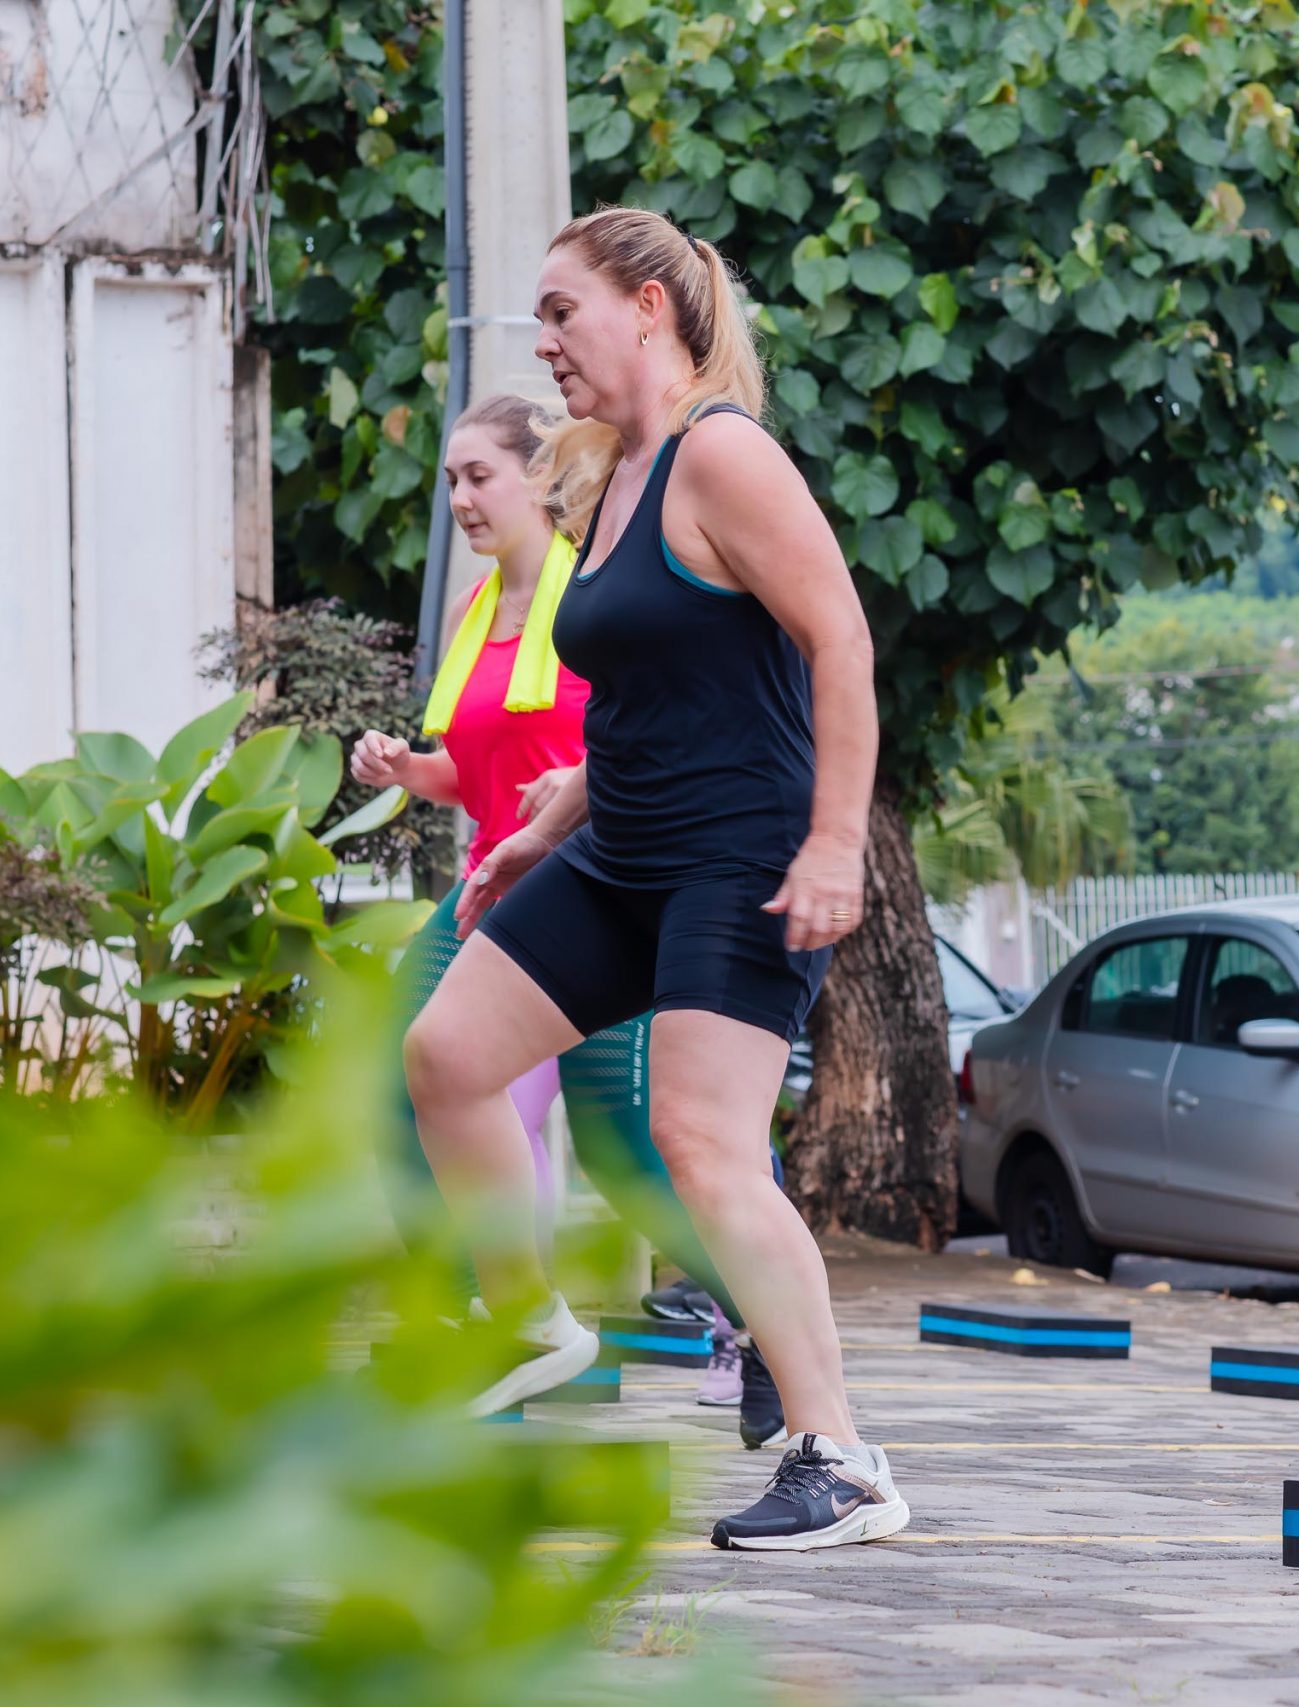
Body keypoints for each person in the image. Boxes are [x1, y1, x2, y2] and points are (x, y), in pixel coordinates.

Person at [406, 206, 902, 1551]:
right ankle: (527, 1321)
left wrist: (836, 841)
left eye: (560, 312)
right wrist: (544, 820)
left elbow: (839, 637)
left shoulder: (719, 454)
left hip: (739, 856)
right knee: (446, 1055)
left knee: (702, 1138)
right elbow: (646, 688)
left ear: (646, 304)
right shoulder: (617, 471)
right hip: (619, 846)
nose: (543, 342)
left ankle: (840, 1453)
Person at [352, 396, 787, 1446]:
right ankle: (499, 1317)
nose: (458, 498)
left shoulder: (591, 596)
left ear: (539, 484)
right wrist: (413, 772)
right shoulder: (473, 617)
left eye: (479, 476)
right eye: (448, 479)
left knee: (630, 1143)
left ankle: (768, 1323)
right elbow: (476, 768)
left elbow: (641, 729)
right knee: (397, 1085)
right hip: (490, 890)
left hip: (598, 885)